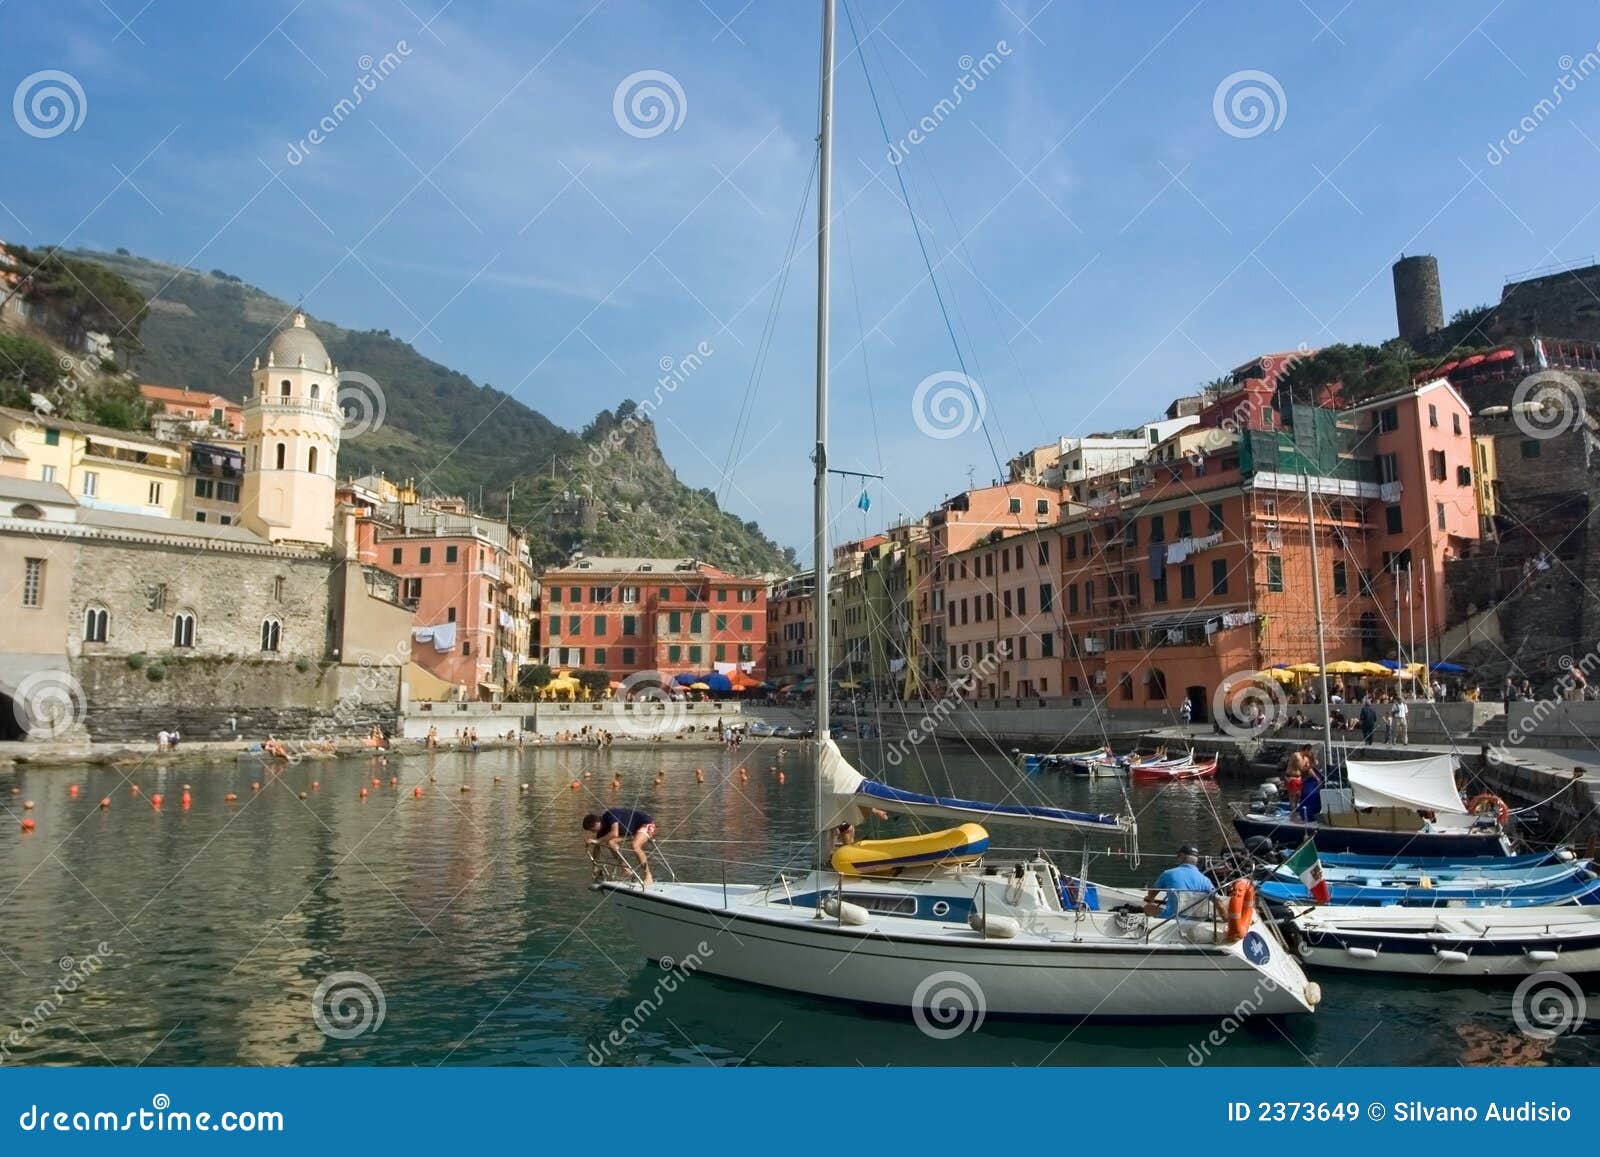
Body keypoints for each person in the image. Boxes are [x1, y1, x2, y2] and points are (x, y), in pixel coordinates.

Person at [583, 808, 657, 885]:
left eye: (592, 830)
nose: (593, 832)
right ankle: (626, 869)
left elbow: (615, 833)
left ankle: (648, 876)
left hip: (645, 824)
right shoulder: (602, 830)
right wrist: (595, 867)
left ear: (597, 823)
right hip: (632, 832)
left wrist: (597, 841)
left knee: (635, 845)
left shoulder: (610, 815)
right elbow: (597, 847)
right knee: (611, 843)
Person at [1143, 845, 1218, 919]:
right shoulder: (1205, 880)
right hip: (1196, 920)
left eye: (1178, 856)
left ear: (1181, 856)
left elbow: (1152, 893)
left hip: (1173, 919)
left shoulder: (1168, 874)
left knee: (1148, 908)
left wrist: (1150, 901)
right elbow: (1218, 901)